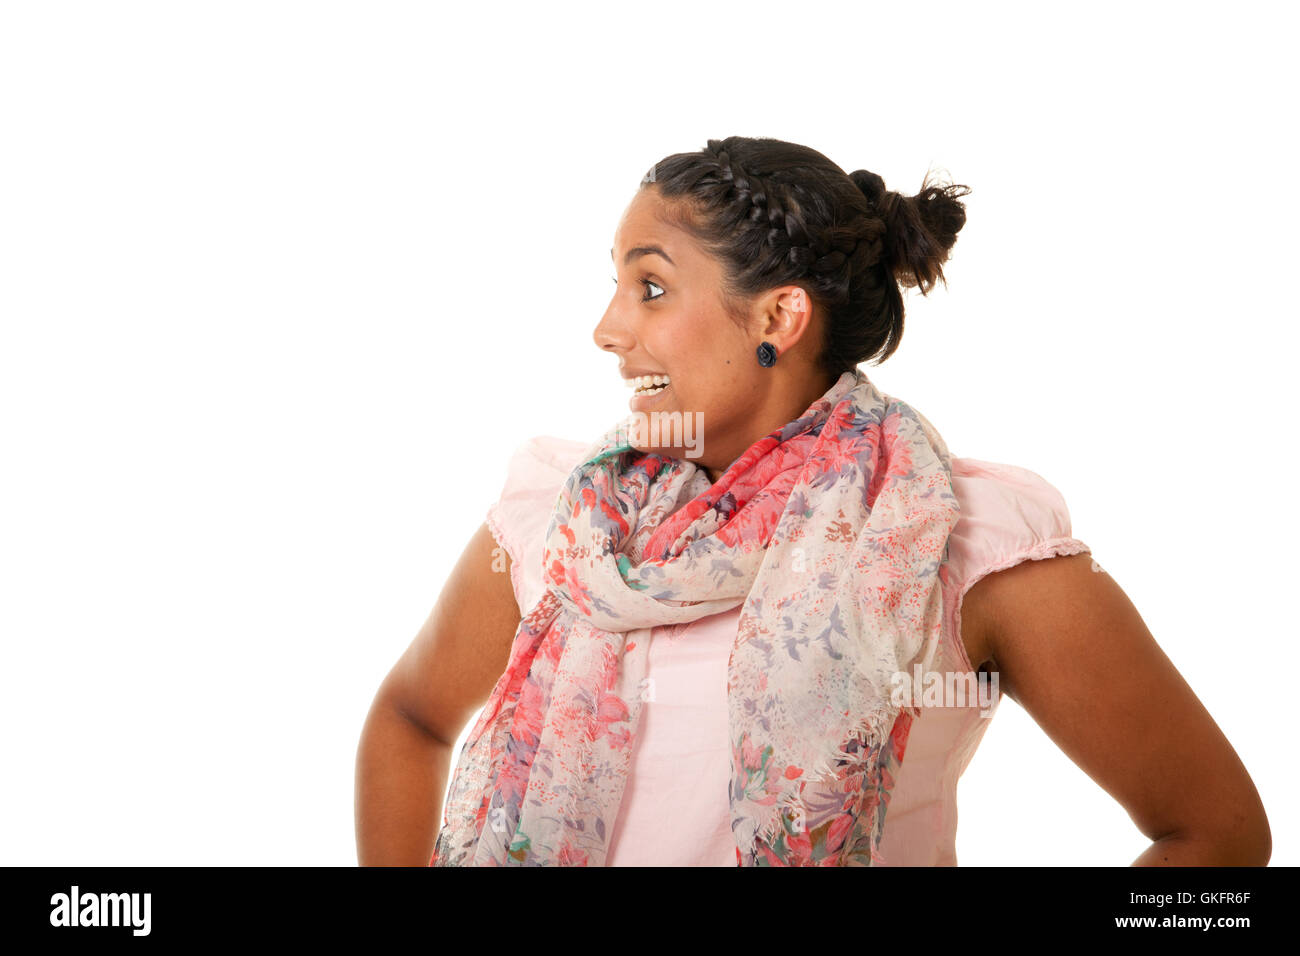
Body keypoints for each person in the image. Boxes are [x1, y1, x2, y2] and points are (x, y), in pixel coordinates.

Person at [355, 136, 1271, 866]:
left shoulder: (960, 545)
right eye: (617, 286)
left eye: (652, 287)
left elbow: (1216, 836)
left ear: (778, 319)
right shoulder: (565, 518)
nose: (608, 329)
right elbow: (412, 719)